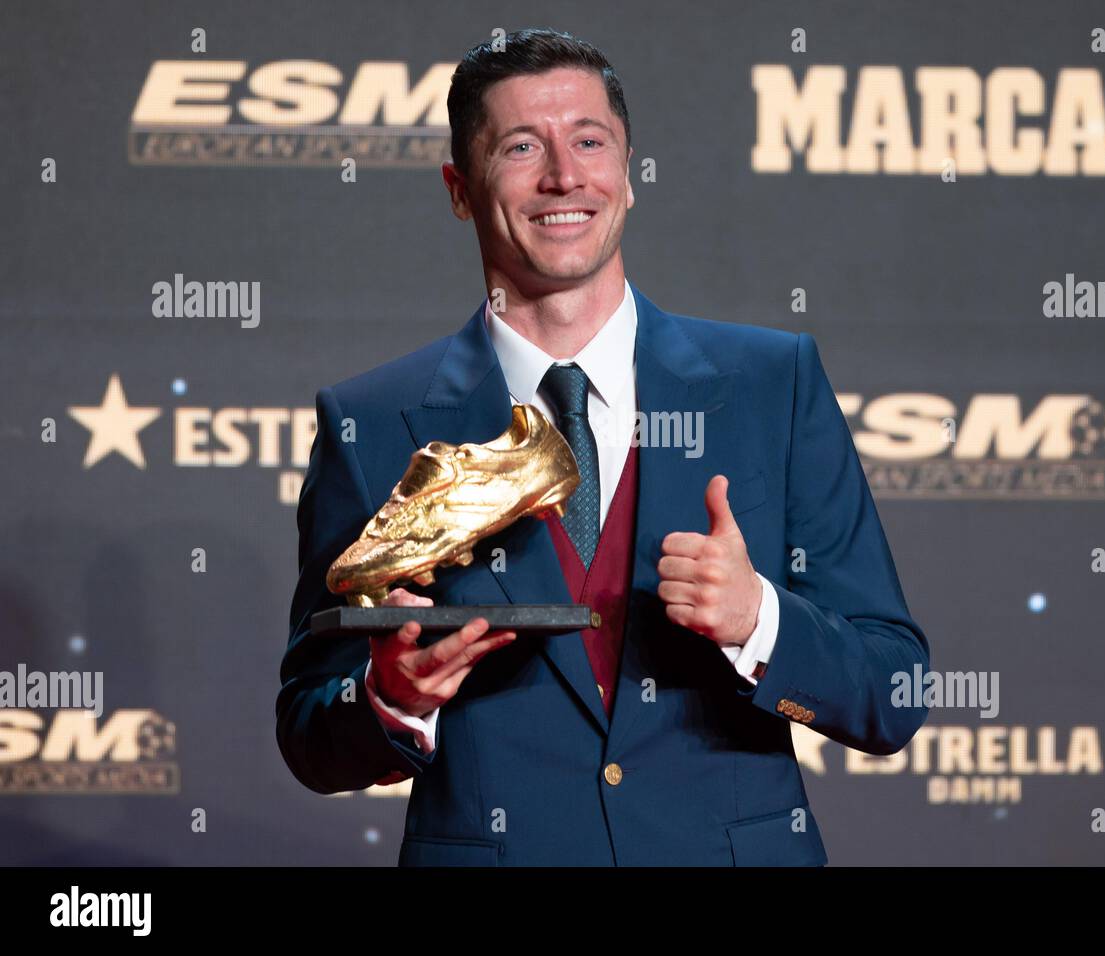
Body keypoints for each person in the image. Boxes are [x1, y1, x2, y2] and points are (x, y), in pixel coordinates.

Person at [276, 28, 929, 866]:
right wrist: (389, 702)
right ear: (459, 190)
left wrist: (757, 619)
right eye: (521, 146)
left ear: (627, 175)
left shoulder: (774, 383)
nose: (563, 175)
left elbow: (892, 690)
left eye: (591, 141)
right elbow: (307, 732)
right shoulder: (373, 421)